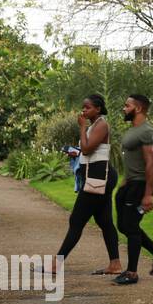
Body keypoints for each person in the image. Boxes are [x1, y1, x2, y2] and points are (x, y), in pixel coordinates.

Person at [51, 95, 122, 276]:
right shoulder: (94, 126)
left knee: (76, 220)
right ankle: (115, 264)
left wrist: (82, 128)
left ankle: (56, 264)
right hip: (97, 177)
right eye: (83, 107)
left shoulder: (101, 125)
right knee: (104, 221)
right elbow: (87, 150)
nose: (83, 111)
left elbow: (89, 148)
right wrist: (77, 153)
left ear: (98, 109)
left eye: (87, 107)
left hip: (99, 179)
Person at [112, 93, 153, 286]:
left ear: (137, 108)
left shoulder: (149, 132)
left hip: (141, 185)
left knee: (130, 227)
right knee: (123, 225)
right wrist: (125, 181)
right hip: (130, 183)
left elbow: (151, 164)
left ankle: (132, 273)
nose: (124, 108)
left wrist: (147, 194)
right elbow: (133, 159)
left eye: (127, 105)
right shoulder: (133, 131)